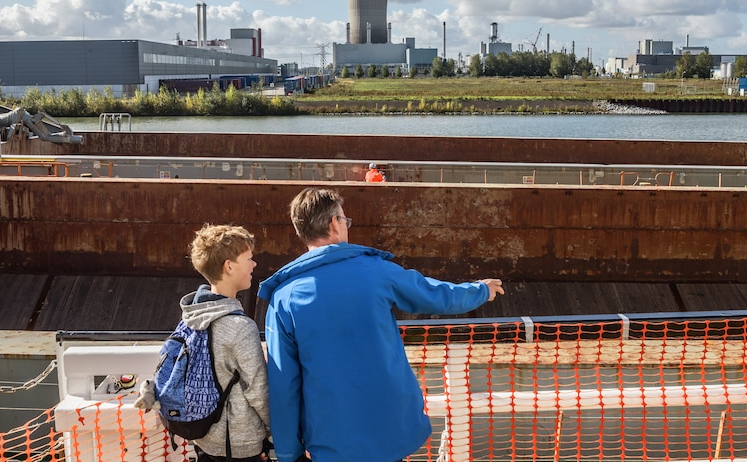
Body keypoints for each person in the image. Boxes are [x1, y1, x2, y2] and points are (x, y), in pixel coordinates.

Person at [257, 188, 505, 462]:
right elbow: (438, 296)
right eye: (345, 220)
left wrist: (289, 453)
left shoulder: (283, 298)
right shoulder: (377, 271)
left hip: (331, 441)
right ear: (333, 224)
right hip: (390, 429)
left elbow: (284, 385)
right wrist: (481, 290)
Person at [173, 224, 271, 461]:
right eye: (249, 258)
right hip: (239, 443)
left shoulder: (191, 317)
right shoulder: (240, 328)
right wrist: (278, 431)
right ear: (229, 266)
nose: (254, 264)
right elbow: (258, 391)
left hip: (204, 435)